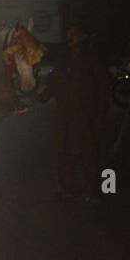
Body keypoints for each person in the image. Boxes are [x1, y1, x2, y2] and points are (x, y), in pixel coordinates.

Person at [47, 22, 107, 199]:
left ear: (82, 36)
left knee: (84, 150)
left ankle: (90, 188)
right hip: (64, 112)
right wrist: (41, 94)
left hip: (83, 112)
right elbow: (55, 79)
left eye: (74, 33)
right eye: (69, 33)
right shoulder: (64, 56)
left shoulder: (91, 57)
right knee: (63, 149)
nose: (70, 37)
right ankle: (66, 186)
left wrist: (100, 112)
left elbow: (101, 84)